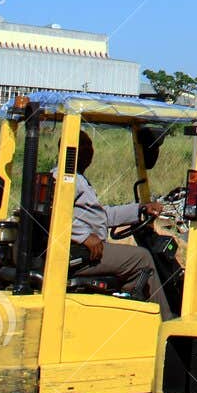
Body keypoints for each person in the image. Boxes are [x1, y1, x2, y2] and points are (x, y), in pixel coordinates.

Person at [69, 132, 168, 311]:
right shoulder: (66, 179)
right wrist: (83, 236)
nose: (89, 151)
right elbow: (56, 213)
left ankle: (131, 313)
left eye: (90, 146)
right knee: (143, 258)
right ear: (69, 150)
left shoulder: (79, 180)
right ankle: (166, 323)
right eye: (83, 146)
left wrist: (140, 209)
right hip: (80, 253)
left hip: (87, 250)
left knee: (133, 270)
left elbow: (103, 216)